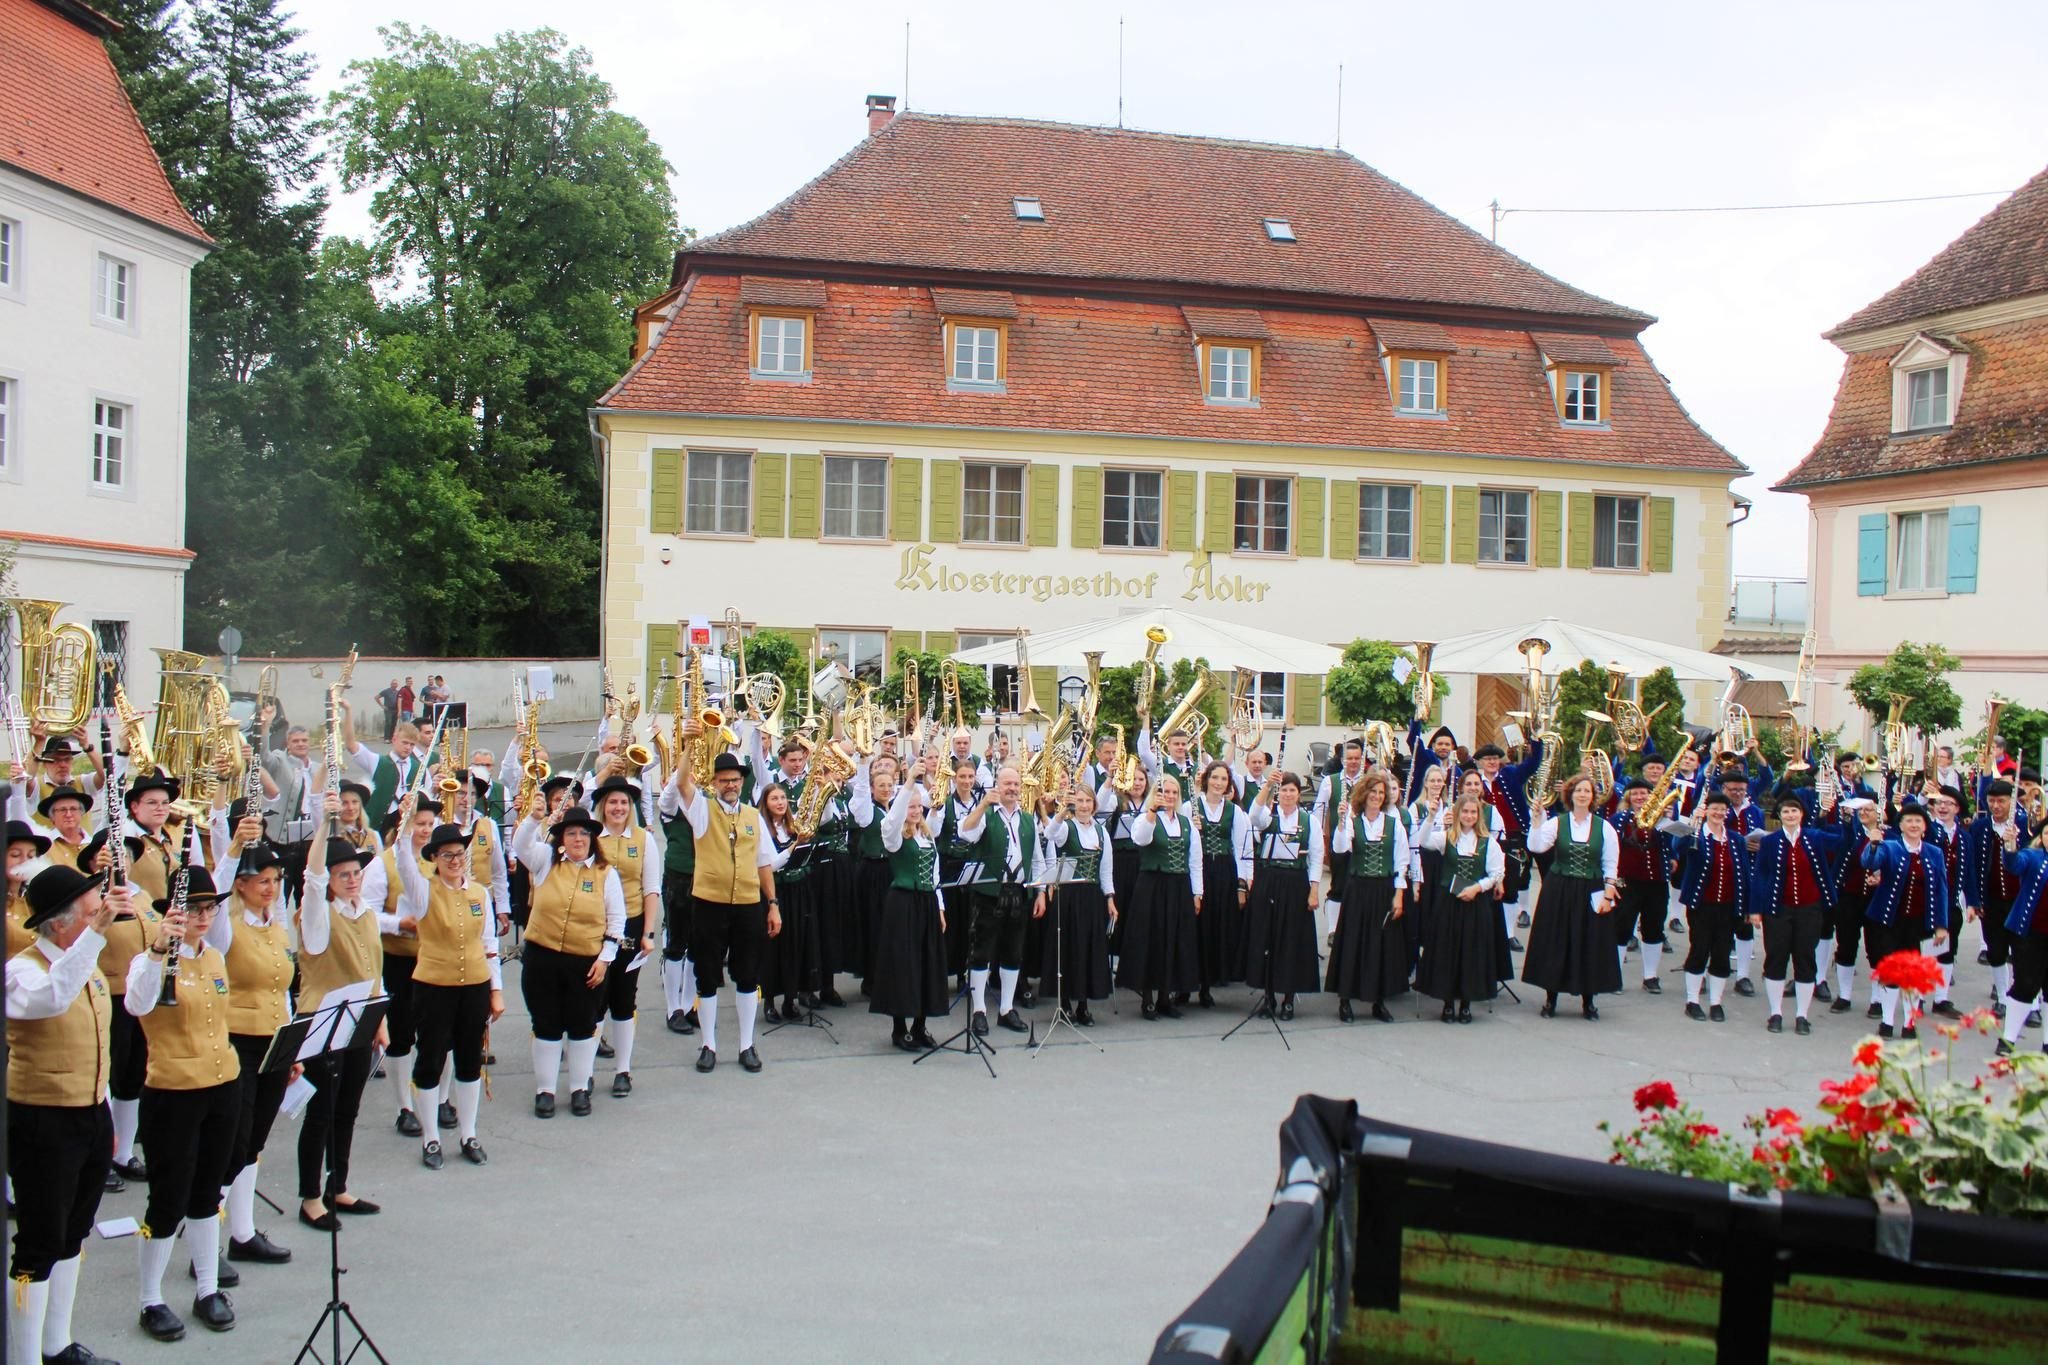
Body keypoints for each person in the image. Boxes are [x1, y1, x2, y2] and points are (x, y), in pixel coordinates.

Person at [6, 865, 125, 1365]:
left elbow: (97, 1041)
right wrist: (95, 937)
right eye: (91, 911)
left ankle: (57, 1344)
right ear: (59, 923)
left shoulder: (85, 962)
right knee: (39, 1240)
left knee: (74, 1231)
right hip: (42, 1119)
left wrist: (104, 1114)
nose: (100, 917)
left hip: (89, 1113)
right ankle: (24, 1357)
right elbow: (52, 998)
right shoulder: (21, 970)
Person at [126, 863, 242, 1341]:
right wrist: (158, 950)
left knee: (207, 1191)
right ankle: (150, 1299)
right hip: (173, 1091)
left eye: (209, 908)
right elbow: (137, 1003)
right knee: (168, 1197)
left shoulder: (213, 957)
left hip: (221, 1083)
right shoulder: (151, 960)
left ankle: (207, 1289)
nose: (203, 917)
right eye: (194, 909)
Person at [204, 811, 296, 1272]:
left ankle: (242, 1232)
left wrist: (292, 1045)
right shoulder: (227, 926)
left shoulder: (273, 923)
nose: (270, 888)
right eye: (261, 881)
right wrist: (234, 848)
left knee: (255, 1140)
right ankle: (208, 1242)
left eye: (275, 880)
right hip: (237, 1040)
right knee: (231, 1142)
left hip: (273, 1039)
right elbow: (216, 896)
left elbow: (283, 989)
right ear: (240, 885)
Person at [392, 814, 504, 1166]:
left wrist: (496, 990)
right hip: (434, 986)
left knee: (469, 1059)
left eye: (459, 854)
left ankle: (468, 1134)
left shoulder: (479, 893)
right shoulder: (424, 891)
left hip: (474, 985)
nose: (455, 861)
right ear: (435, 859)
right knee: (431, 1057)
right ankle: (431, 1138)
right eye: (447, 856)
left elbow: (489, 944)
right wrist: (406, 824)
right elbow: (403, 861)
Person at [295, 799, 385, 1232]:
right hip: (322, 1023)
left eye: (356, 873)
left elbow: (374, 971)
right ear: (330, 881)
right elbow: (311, 881)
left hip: (359, 1021)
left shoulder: (364, 912)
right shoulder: (318, 916)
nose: (352, 880)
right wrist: (324, 825)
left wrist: (380, 1019)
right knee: (321, 1111)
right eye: (343, 875)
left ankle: (338, 1185)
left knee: (347, 1108)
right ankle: (310, 1197)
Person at [510, 801, 623, 1114]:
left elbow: (616, 920)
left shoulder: (605, 874)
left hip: (584, 962)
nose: (578, 839)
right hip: (542, 958)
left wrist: (605, 959)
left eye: (583, 834)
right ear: (561, 838)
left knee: (582, 1025)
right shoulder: (546, 861)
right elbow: (520, 846)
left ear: (592, 839)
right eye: (571, 833)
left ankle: (579, 1088)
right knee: (545, 1023)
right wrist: (534, 819)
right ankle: (545, 1090)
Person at [673, 745, 781, 1073]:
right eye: (723, 780)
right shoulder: (702, 810)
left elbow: (764, 863)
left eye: (734, 780)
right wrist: (689, 745)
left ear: (742, 782)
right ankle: (709, 1044)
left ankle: (747, 1044)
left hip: (747, 904)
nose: (730, 785)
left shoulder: (753, 816)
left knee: (747, 975)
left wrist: (772, 904)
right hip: (710, 903)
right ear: (714, 783)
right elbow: (681, 783)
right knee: (707, 976)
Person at [366, 796, 440, 1137]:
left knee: (436, 1034)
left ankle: (437, 1099)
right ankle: (403, 1107)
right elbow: (367, 913)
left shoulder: (438, 858)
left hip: (433, 959)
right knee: (400, 1035)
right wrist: (399, 924)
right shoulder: (382, 864)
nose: (425, 830)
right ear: (404, 826)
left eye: (429, 825)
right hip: (397, 959)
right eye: (419, 824)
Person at [1522, 774, 1623, 1020]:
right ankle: (1551, 999)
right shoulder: (1557, 823)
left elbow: (1610, 863)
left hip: (1591, 888)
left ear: (1593, 796)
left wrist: (1609, 892)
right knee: (1556, 941)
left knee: (1590, 942)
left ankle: (1589, 1001)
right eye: (1578, 790)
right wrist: (1536, 821)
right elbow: (1536, 847)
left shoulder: (1604, 827)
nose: (1582, 794)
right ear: (1570, 795)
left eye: (1587, 791)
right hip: (1560, 889)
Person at [954, 765, 1046, 1034]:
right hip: (989, 893)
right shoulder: (987, 815)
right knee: (981, 952)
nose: (1012, 789)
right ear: (997, 785)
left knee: (1013, 952)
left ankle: (1006, 1009)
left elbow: (1037, 860)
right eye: (1007, 784)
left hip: (1019, 893)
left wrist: (1040, 892)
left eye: (1016, 784)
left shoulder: (1027, 819)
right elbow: (965, 832)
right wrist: (983, 805)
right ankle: (979, 1010)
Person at [1751, 792, 1846, 1035]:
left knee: (1805, 959)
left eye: (1794, 811)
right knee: (1776, 958)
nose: (1790, 815)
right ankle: (1775, 1013)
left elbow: (1843, 842)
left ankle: (1802, 1015)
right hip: (1778, 909)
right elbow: (1760, 875)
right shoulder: (1770, 842)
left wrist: (1841, 817)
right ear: (1779, 816)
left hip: (1809, 908)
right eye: (1786, 811)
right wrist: (1755, 909)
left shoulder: (1814, 837)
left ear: (1802, 814)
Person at [1856, 801, 1951, 1039]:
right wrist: (1873, 842)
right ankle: (1887, 1021)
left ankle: (1909, 1023)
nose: (1914, 825)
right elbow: (1869, 862)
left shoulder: (1934, 853)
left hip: (1921, 924)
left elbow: (1941, 890)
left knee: (1914, 974)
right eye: (1909, 820)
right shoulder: (1889, 847)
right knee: (1891, 972)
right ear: (1900, 825)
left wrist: (1941, 925)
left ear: (1925, 827)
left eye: (1918, 821)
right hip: (1889, 921)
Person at [589, 777, 658, 1097]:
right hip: (595, 926)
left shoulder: (643, 838)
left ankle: (623, 1070)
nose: (618, 808)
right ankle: (585, 1070)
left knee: (624, 997)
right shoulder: (592, 837)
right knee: (593, 998)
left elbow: (651, 888)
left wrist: (648, 933)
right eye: (613, 802)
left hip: (631, 924)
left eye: (624, 803)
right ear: (603, 806)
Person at [870, 777, 949, 1049]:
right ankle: (899, 1028)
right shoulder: (893, 836)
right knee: (903, 964)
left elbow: (935, 876)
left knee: (927, 962)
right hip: (903, 904)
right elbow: (891, 822)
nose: (915, 811)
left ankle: (920, 1025)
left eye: (918, 807)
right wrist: (908, 784)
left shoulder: (927, 836)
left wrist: (940, 907)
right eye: (910, 807)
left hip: (927, 903)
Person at [1328, 771, 1411, 1023]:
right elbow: (1340, 848)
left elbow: (1402, 861)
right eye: (1373, 792)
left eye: (1381, 793)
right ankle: (1345, 1000)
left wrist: (1398, 895)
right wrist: (1341, 823)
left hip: (1383, 889)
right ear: (1364, 795)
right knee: (1352, 941)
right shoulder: (1353, 822)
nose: (1377, 796)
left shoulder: (1394, 824)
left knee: (1381, 944)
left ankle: (1378, 1001)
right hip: (1358, 889)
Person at [1417, 795, 1506, 1023]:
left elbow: (1496, 873)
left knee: (1471, 951)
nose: (1469, 816)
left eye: (1473, 812)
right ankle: (1447, 1003)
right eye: (1465, 811)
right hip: (1449, 903)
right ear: (1458, 814)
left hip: (1475, 903)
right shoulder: (1447, 837)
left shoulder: (1488, 842)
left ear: (1478, 816)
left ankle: (1466, 1004)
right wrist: (1430, 817)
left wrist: (1477, 888)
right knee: (1447, 951)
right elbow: (1423, 841)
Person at [1121, 774, 1201, 1019]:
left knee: (1174, 939)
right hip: (1152, 886)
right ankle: (1147, 999)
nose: (1170, 796)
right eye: (1166, 792)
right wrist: (1152, 812)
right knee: (1150, 939)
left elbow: (1195, 860)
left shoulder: (1186, 823)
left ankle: (1166, 997)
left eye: (1174, 792)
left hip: (1178, 886)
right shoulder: (1145, 818)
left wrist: (1197, 892)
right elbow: (1140, 839)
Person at [1243, 769, 1321, 1020]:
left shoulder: (1310, 821)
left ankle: (1288, 999)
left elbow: (1316, 856)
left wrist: (1314, 889)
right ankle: (1268, 997)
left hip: (1295, 883)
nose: (1288, 794)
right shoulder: (1270, 816)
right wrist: (1267, 787)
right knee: (1267, 938)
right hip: (1269, 881)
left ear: (1298, 794)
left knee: (1291, 940)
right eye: (1284, 790)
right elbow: (1253, 815)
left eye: (1292, 790)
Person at [1040, 781, 1117, 1024]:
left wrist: (1110, 898)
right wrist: (1064, 810)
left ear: (1094, 805)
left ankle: (1083, 1004)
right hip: (1069, 896)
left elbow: (1106, 869)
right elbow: (1049, 833)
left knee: (1088, 948)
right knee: (1068, 947)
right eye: (1080, 801)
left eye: (1087, 801)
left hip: (1091, 896)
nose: (1084, 806)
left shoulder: (1101, 832)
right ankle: (1065, 1002)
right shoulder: (1067, 827)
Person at [1672, 792, 1753, 1022]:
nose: (1718, 813)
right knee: (1699, 950)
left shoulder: (1735, 839)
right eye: (1714, 808)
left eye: (1722, 810)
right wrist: (1693, 823)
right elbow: (1679, 845)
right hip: (1701, 905)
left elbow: (1745, 873)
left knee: (1721, 954)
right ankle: (1692, 1001)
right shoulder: (1696, 835)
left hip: (1728, 907)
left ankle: (1716, 1002)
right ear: (1706, 811)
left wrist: (1748, 906)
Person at [1471, 739, 1547, 950]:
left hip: (1512, 837)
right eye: (1488, 759)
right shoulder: (1473, 781)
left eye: (1495, 758)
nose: (1492, 762)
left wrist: (1535, 741)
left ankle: (1509, 934)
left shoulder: (1510, 775)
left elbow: (1533, 763)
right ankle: (1484, 932)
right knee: (1484, 882)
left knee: (1512, 883)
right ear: (1480, 762)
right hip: (1482, 838)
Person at [1964, 779, 2030, 1019]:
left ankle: (2029, 1003)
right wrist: (1974, 900)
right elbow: (1971, 866)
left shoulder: (2025, 825)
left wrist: (2018, 841)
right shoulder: (1980, 827)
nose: (1996, 806)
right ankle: (2002, 998)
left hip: (2020, 901)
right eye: (1991, 801)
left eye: (2001, 801)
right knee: (1996, 951)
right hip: (1991, 900)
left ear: (2011, 802)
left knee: (2024, 953)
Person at [757, 783, 821, 1021]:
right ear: (766, 803)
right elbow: (770, 864)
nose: (780, 803)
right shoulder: (763, 830)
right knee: (774, 948)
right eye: (774, 799)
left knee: (796, 944)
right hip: (776, 892)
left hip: (798, 890)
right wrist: (795, 846)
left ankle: (790, 999)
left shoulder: (792, 827)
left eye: (783, 798)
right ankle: (769, 1002)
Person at [1609, 780, 1673, 994]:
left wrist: (1669, 820)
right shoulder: (1619, 819)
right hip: (1627, 881)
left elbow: (1672, 846)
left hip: (1656, 881)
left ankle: (1650, 976)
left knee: (1654, 927)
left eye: (1643, 793)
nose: (1639, 797)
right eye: (1635, 794)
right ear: (1629, 797)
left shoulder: (1662, 820)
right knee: (1621, 926)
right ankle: (1614, 976)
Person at [654, 768, 702, 1033]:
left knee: (697, 945)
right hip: (679, 878)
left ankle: (688, 1005)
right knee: (676, 945)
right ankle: (673, 1009)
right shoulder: (670, 805)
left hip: (703, 878)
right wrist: (682, 767)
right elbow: (671, 793)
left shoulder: (703, 802)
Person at [1992, 831, 2047, 1056]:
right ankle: (2008, 1039)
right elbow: (2014, 864)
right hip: (2029, 933)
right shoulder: (2033, 857)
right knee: (2025, 984)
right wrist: (2010, 846)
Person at [260, 725, 320, 906]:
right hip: (282, 839)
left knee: (307, 898)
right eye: (296, 741)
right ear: (288, 743)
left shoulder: (317, 769)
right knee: (280, 894)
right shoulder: (280, 760)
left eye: (304, 740)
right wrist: (265, 727)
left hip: (309, 840)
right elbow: (264, 757)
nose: (300, 744)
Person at [342, 701, 428, 827]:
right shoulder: (377, 761)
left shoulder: (420, 768)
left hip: (406, 826)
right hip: (379, 826)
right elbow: (351, 745)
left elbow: (428, 796)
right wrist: (348, 711)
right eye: (405, 742)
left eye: (412, 744)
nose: (408, 747)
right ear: (394, 739)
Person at [1313, 740, 1366, 943]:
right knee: (1338, 884)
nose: (1353, 762)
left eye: (1357, 758)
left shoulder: (1367, 781)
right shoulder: (1331, 781)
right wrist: (1318, 837)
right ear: (1343, 760)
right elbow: (1320, 810)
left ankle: (1354, 927)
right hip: (1339, 841)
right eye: (1349, 758)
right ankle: (1333, 930)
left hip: (1362, 842)